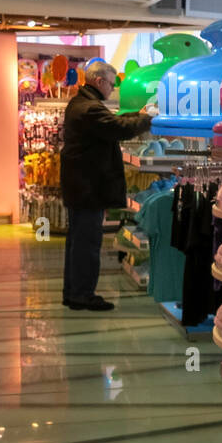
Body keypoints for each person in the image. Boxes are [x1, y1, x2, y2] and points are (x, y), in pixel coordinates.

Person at [60, 61, 155, 311]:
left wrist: (139, 114)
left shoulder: (81, 104)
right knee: (87, 244)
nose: (113, 89)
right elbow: (117, 128)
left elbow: (113, 122)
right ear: (99, 81)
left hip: (81, 187)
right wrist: (146, 119)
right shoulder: (90, 108)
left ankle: (74, 293)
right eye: (112, 84)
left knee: (78, 242)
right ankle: (82, 295)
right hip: (87, 189)